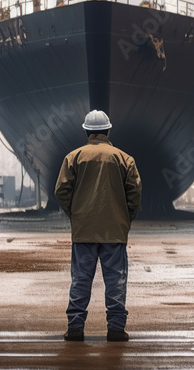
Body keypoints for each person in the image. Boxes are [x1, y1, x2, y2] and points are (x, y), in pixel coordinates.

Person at [54, 110, 141, 342]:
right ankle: (115, 329)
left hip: (84, 231)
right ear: (108, 130)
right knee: (116, 280)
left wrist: (75, 214)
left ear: (86, 131)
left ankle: (75, 328)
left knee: (81, 279)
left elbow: (61, 190)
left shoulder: (74, 157)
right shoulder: (125, 159)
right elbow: (135, 192)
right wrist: (125, 218)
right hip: (115, 231)